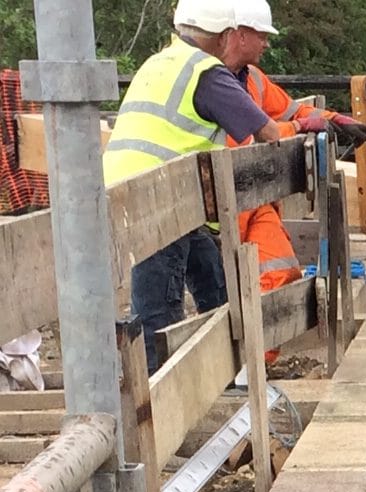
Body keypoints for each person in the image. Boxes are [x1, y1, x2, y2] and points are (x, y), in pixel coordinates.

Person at [104, 0, 283, 372]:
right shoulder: (207, 71)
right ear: (226, 36)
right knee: (159, 306)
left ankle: (228, 367)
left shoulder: (161, 61)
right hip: (158, 197)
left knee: (212, 275)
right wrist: (305, 129)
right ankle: (158, 395)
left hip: (140, 190)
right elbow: (266, 132)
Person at [228, 0, 366, 295]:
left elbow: (294, 112)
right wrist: (300, 129)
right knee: (232, 300)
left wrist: (337, 120)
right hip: (225, 215)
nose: (267, 44)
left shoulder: (254, 80)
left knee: (280, 277)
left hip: (256, 203)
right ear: (240, 34)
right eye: (261, 35)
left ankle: (267, 343)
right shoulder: (214, 86)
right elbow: (256, 137)